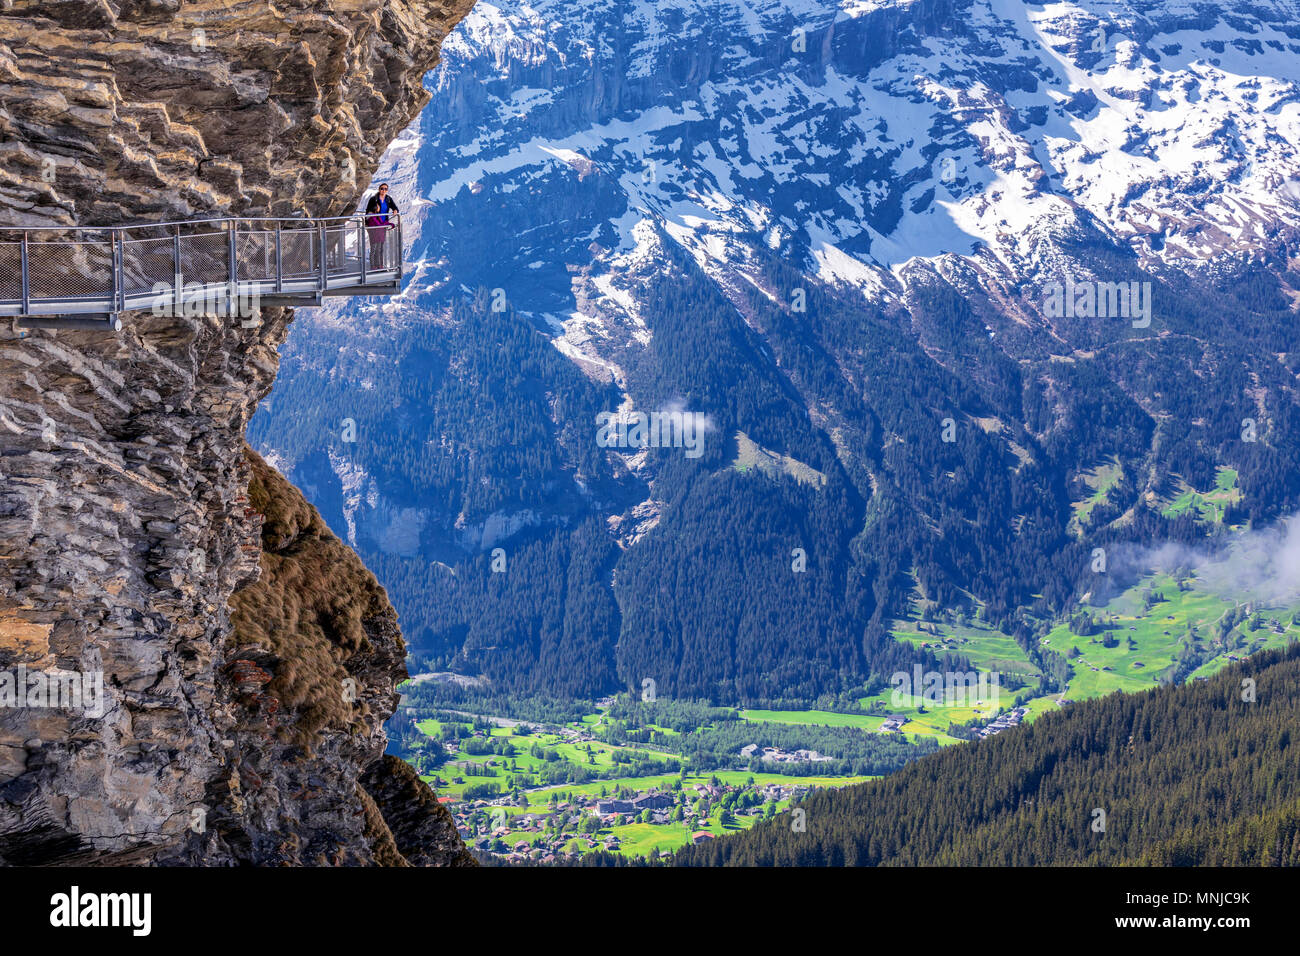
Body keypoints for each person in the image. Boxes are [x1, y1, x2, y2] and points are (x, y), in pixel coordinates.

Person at [365, 183, 399, 269]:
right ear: (379, 189)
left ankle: (379, 264)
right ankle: (373, 265)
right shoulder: (374, 199)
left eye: (385, 189)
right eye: (382, 189)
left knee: (380, 246)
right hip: (374, 225)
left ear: (387, 190)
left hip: (382, 224)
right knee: (374, 247)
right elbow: (368, 211)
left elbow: (394, 207)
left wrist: (395, 210)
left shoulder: (388, 199)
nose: (383, 191)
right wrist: (367, 223)